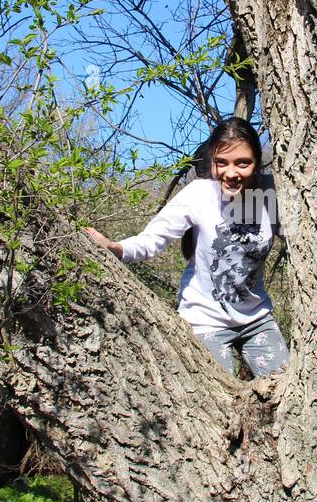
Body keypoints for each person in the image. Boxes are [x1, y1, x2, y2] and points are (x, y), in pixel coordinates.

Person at [84, 117, 290, 378]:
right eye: (221, 163)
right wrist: (115, 248)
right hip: (204, 320)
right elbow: (152, 240)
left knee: (285, 390)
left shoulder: (272, 192)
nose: (231, 173)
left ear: (257, 163)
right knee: (219, 405)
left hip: (257, 318)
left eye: (243, 163)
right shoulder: (198, 194)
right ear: (212, 162)